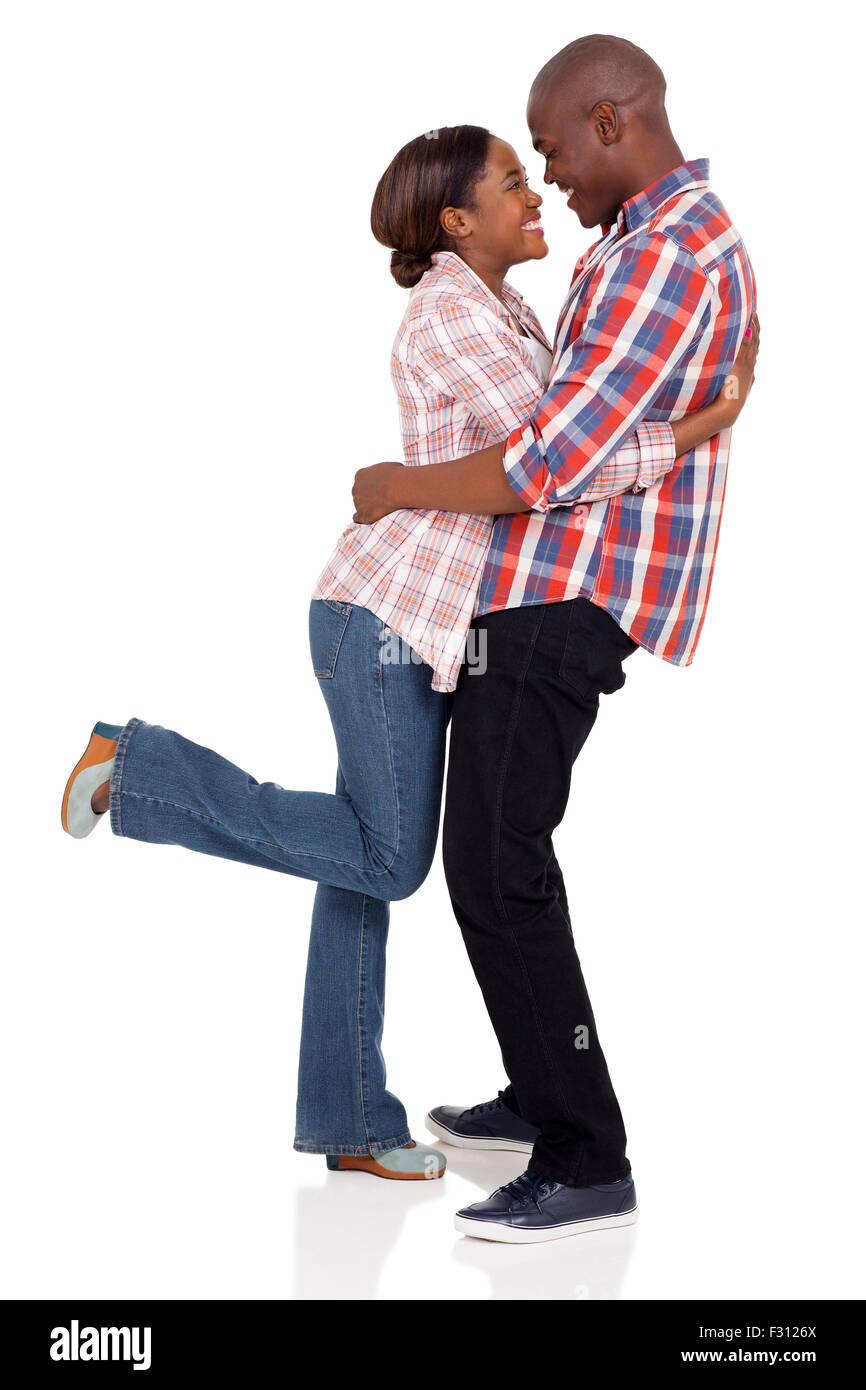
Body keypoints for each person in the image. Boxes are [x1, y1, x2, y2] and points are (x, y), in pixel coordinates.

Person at [61, 117, 756, 1191]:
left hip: (417, 625)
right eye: (513, 181)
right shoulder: (447, 313)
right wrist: (695, 426)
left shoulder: (499, 303)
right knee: (388, 857)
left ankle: (346, 1116)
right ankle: (139, 766)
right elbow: (553, 458)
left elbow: (548, 438)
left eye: (535, 175)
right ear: (455, 219)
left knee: (354, 859)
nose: (535, 195)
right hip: (384, 616)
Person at [351, 35, 758, 1240]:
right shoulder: (643, 243)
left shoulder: (666, 253)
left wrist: (398, 485)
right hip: (540, 587)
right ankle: (540, 1094)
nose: (549, 180)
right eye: (523, 168)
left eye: (550, 152)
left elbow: (547, 460)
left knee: (493, 861)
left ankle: (586, 1155)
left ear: (612, 121)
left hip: (563, 595)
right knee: (492, 853)